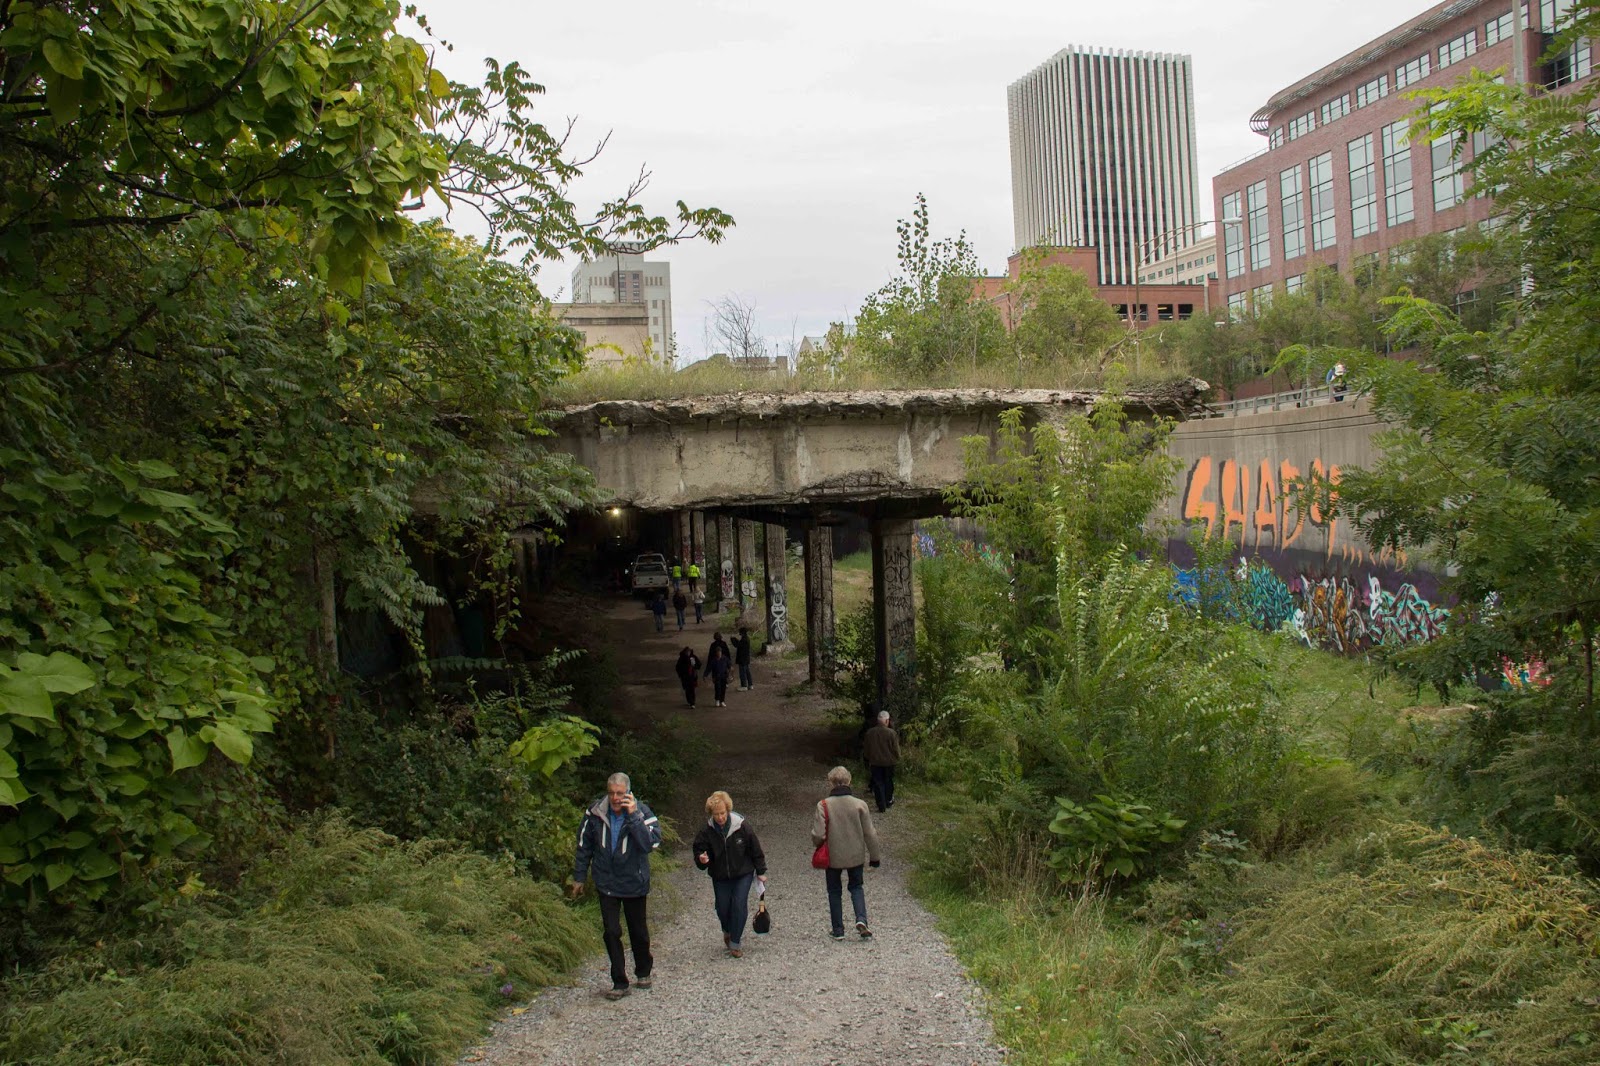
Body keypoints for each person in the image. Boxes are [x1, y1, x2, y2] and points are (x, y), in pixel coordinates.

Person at [571, 772, 662, 1000]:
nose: (615, 797)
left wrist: (633, 817)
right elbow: (584, 847)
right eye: (611, 792)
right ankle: (619, 981)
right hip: (606, 881)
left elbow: (648, 844)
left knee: (638, 931)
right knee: (611, 932)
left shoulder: (642, 812)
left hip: (634, 881)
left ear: (628, 793)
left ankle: (643, 971)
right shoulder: (595, 813)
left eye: (619, 793)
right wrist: (579, 877)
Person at [692, 790, 768, 958]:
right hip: (720, 876)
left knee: (739, 904)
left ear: (728, 810)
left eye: (722, 813)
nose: (720, 817)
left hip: (743, 873)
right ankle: (727, 930)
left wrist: (761, 870)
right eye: (716, 814)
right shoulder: (706, 831)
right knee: (722, 907)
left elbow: (755, 848)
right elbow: (699, 850)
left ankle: (735, 942)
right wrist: (702, 859)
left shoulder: (742, 826)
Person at [810, 766, 881, 941]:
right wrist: (874, 857)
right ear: (849, 781)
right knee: (856, 887)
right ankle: (861, 919)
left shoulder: (823, 805)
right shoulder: (860, 805)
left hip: (833, 856)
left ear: (831, 782)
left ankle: (838, 929)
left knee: (834, 891)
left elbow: (818, 834)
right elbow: (870, 833)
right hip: (855, 854)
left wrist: (818, 844)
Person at [863, 710, 901, 813]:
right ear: (887, 721)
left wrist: (868, 758)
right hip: (889, 762)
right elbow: (895, 749)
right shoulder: (891, 733)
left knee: (878, 783)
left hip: (875, 762)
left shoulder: (870, 732)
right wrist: (898, 757)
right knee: (888, 781)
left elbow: (866, 748)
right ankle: (888, 800)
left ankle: (881, 805)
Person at [705, 636, 732, 707]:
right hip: (716, 676)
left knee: (723, 689)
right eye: (718, 652)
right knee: (717, 688)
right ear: (716, 653)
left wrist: (730, 674)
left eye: (720, 652)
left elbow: (730, 666)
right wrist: (705, 675)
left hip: (724, 676)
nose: (719, 654)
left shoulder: (725, 659)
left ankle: (722, 701)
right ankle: (717, 700)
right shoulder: (713, 660)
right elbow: (709, 668)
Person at [732, 626, 754, 691]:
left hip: (742, 659)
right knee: (747, 672)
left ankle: (744, 685)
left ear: (742, 633)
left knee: (742, 673)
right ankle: (750, 684)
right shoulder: (747, 639)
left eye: (740, 633)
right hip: (746, 658)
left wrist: (733, 638)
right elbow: (739, 644)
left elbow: (737, 645)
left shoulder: (743, 640)